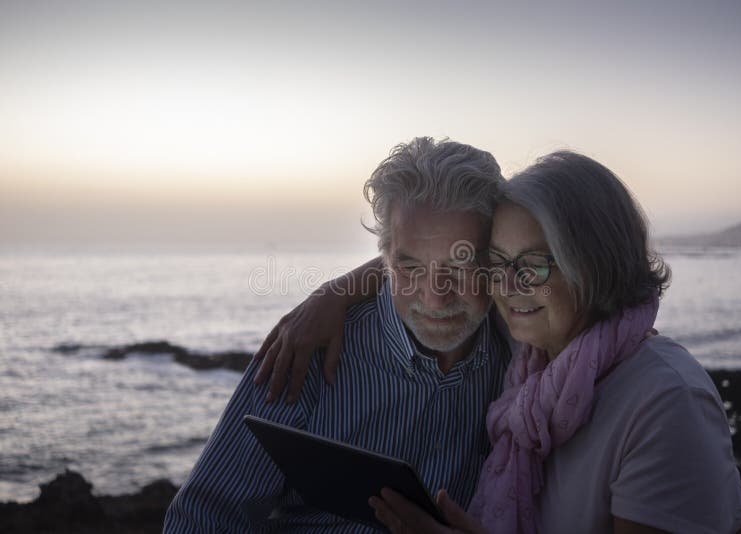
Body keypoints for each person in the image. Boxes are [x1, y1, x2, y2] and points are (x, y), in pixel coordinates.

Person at [254, 151, 741, 533]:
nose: (507, 285)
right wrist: (333, 295)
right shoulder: (532, 362)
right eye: (495, 263)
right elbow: (424, 254)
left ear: (595, 261)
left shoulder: (661, 400)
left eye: (534, 265)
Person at [163, 137, 513, 532]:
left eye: (460, 265)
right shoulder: (307, 350)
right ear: (386, 257)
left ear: (497, 256)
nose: (434, 298)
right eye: (410, 266)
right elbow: (205, 517)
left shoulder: (521, 355)